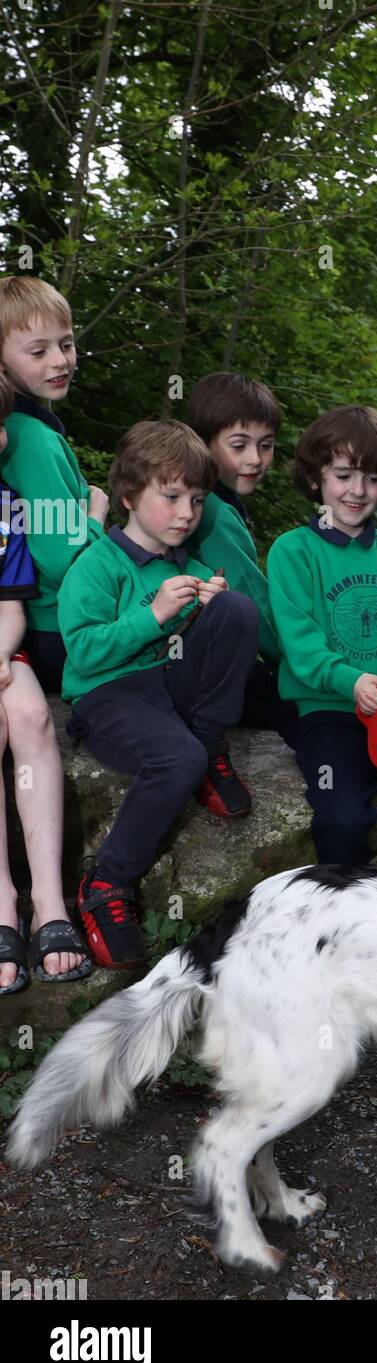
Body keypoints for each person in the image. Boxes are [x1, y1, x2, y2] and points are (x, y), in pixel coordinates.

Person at [59, 421, 259, 968]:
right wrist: (154, 616)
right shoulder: (96, 566)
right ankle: (106, 882)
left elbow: (206, 644)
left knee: (237, 609)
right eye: (170, 497)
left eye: (195, 500)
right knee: (178, 759)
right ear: (129, 495)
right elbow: (84, 654)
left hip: (165, 685)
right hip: (107, 694)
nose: (186, 513)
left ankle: (209, 742)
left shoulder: (188, 565)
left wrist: (207, 606)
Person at [267, 406, 377, 872]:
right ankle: (341, 907)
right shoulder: (292, 551)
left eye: (373, 479)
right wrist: (352, 682)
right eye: (343, 475)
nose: (358, 491)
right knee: (343, 818)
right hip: (324, 708)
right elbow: (300, 643)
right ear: (316, 477)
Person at [0, 373, 92, 992]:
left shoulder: (5, 506)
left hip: (4, 646)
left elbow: (11, 605)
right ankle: (3, 901)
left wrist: (2, 656)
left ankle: (51, 903)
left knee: (32, 719)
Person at [0, 275, 109, 693]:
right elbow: (63, 559)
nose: (60, 361)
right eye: (38, 351)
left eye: (66, 344)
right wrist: (96, 515)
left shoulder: (17, 428)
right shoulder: (34, 443)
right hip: (57, 630)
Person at [186, 372, 297, 740]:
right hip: (204, 668)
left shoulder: (210, 499)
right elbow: (252, 598)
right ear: (204, 444)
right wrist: (300, 660)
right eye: (239, 445)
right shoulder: (214, 512)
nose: (255, 459)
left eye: (266, 445)